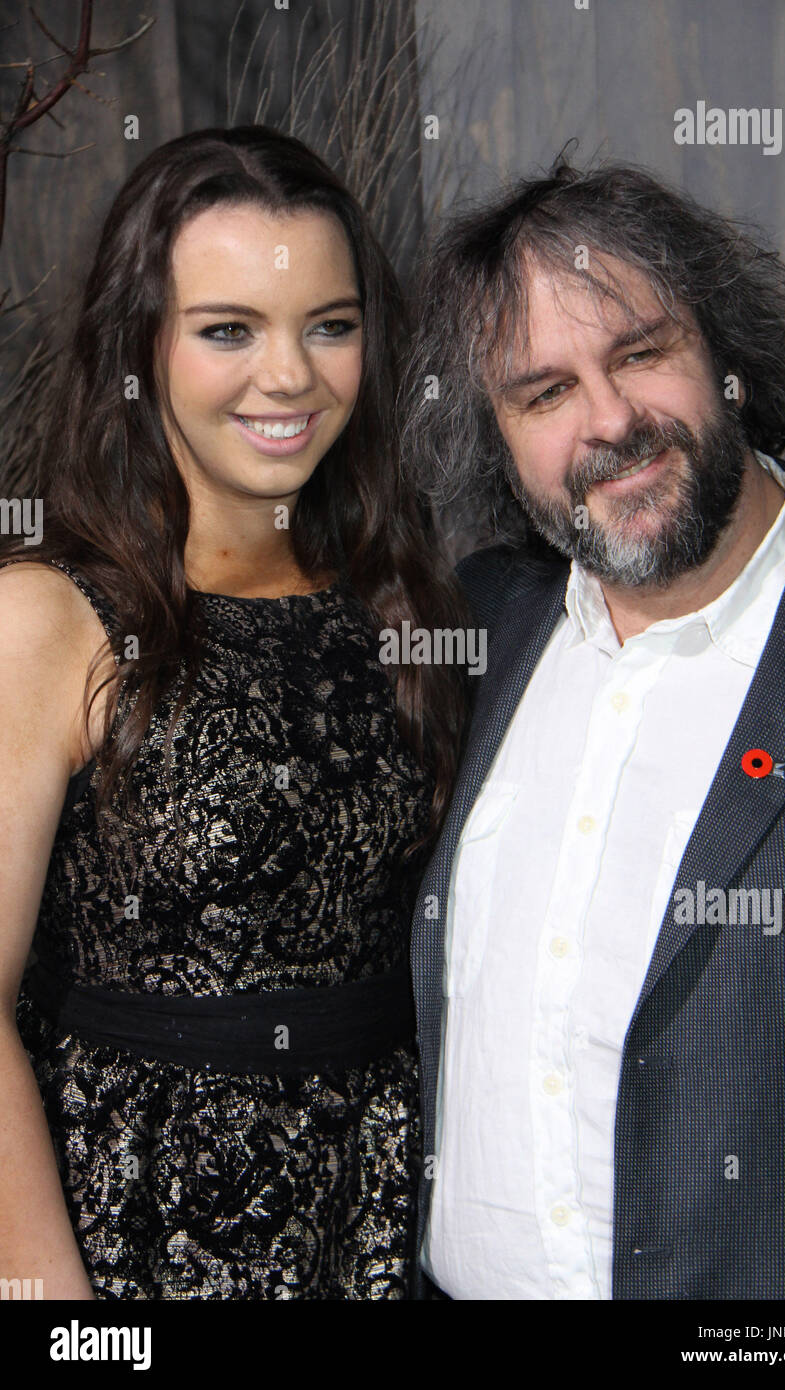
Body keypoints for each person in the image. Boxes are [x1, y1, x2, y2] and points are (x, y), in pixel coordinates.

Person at [0, 125, 468, 1300]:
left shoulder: (404, 604)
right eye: (227, 330)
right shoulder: (48, 619)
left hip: (384, 1231)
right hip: (138, 1248)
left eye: (330, 325)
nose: (291, 377)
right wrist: (53, 1306)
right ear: (136, 349)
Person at [402, 159, 785, 1300]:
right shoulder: (479, 635)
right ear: (498, 440)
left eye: (639, 353)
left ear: (724, 356)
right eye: (543, 392)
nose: (609, 422)